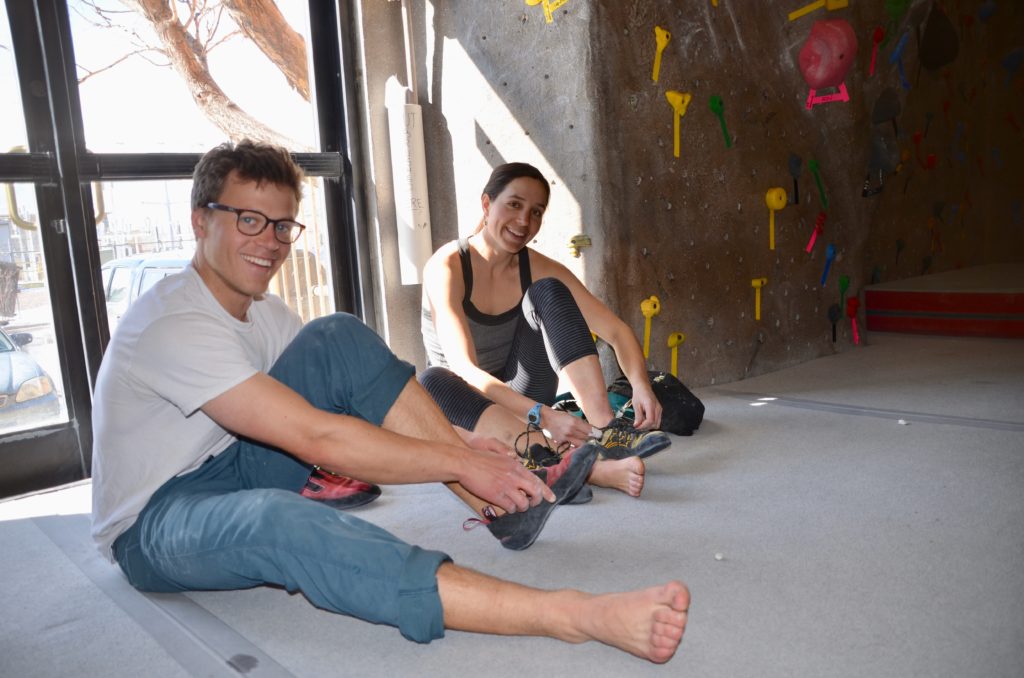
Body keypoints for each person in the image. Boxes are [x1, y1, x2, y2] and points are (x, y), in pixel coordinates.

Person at [89, 140, 689, 662]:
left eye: (282, 225)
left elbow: (350, 408)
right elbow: (317, 437)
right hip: (155, 519)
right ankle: (569, 614)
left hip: (236, 464)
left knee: (338, 334)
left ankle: (495, 506)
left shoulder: (268, 314)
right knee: (276, 521)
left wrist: (468, 447)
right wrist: (460, 458)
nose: (269, 242)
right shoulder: (171, 321)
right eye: (249, 220)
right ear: (201, 220)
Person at [420, 162, 671, 500]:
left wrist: (641, 385)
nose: (524, 221)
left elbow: (616, 330)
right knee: (432, 380)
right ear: (486, 204)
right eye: (514, 204)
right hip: (464, 406)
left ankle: (606, 434)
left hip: (520, 395)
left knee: (549, 290)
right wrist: (543, 416)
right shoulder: (447, 266)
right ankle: (578, 467)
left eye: (535, 212)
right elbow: (465, 370)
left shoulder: (537, 266)